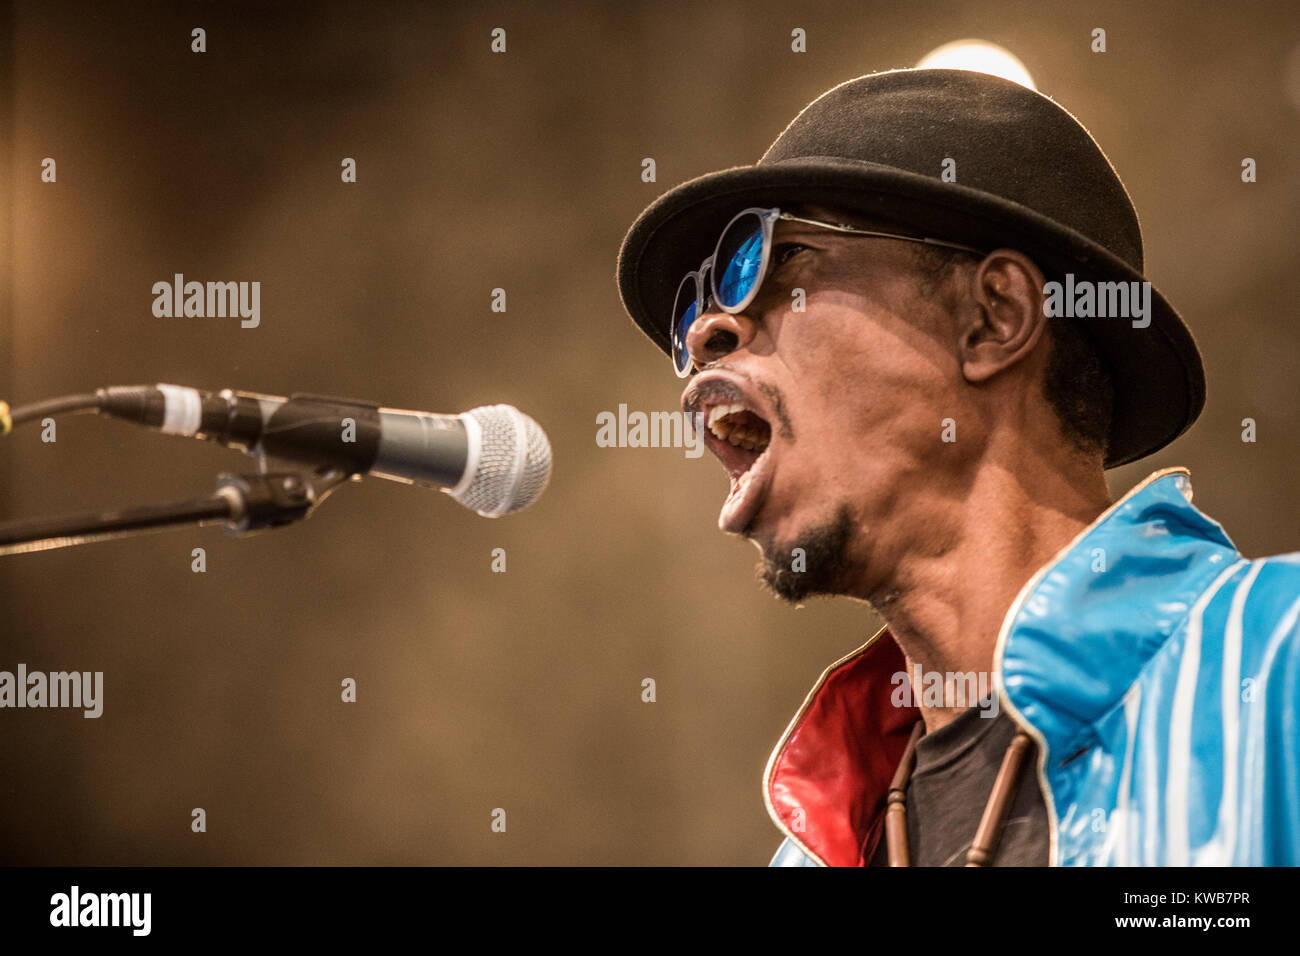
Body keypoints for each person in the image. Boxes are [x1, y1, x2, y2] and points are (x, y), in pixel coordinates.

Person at [615, 69, 1300, 866]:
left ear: (993, 318)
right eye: (700, 303)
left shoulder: (1276, 665)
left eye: (776, 258)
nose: (706, 332)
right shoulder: (813, 854)